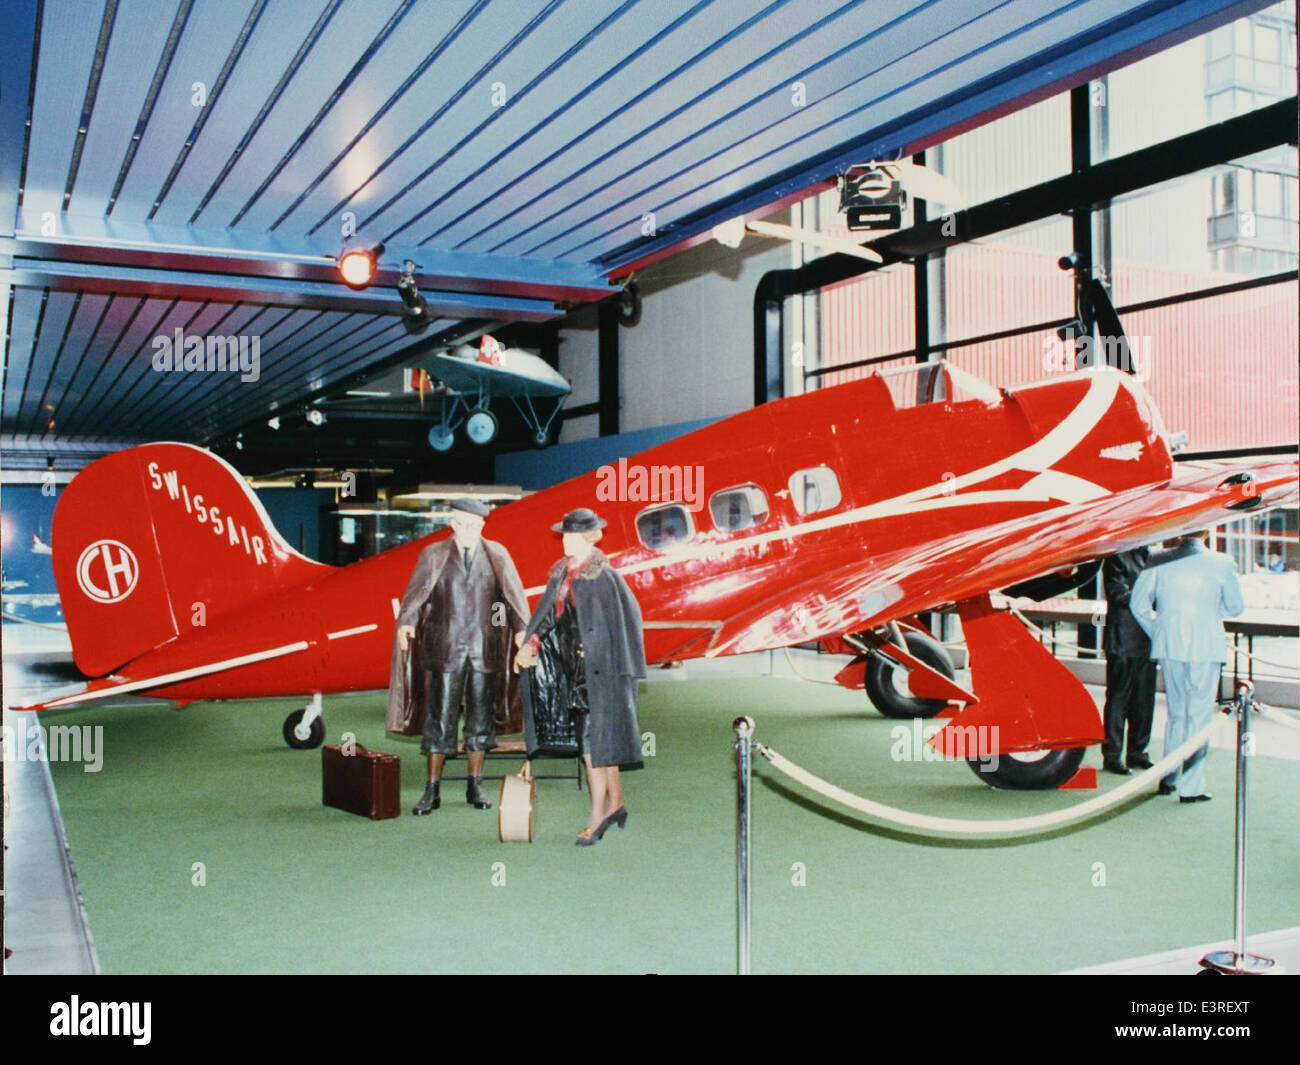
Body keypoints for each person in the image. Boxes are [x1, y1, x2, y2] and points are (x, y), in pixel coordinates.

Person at [386, 498, 528, 816]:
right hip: (443, 652)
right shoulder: (433, 555)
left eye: (473, 524)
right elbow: (415, 596)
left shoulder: (497, 555)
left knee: (480, 724)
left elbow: (513, 597)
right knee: (439, 722)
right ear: (452, 523)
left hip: (484, 653)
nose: (466, 529)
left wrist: (521, 630)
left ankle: (474, 785)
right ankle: (431, 791)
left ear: (482, 525)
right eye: (460, 523)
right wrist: (406, 623)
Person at [514, 508, 646, 846]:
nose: (565, 540)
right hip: (574, 670)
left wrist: (621, 671)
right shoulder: (561, 574)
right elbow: (546, 615)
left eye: (572, 536)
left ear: (588, 538)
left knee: (591, 746)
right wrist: (530, 642)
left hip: (602, 674)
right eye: (564, 534)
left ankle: (597, 815)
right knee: (600, 742)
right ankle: (617, 804)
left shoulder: (605, 577)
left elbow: (629, 623)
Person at [1130, 531, 1244, 803]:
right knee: (1200, 717)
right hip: (1206, 647)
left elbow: (1138, 605)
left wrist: (1159, 630)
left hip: (1170, 646)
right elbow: (1236, 607)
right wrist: (1212, 612)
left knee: (1176, 715)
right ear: (1206, 533)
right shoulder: (1223, 562)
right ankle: (1191, 787)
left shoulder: (1157, 560)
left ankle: (1167, 777)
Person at [1100, 547, 1157, 775]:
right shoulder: (1116, 557)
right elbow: (1117, 593)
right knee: (1118, 700)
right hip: (1122, 640)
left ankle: (1137, 753)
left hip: (1147, 639)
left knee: (1144, 701)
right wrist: (1150, 598)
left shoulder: (1152, 557)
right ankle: (1112, 756)